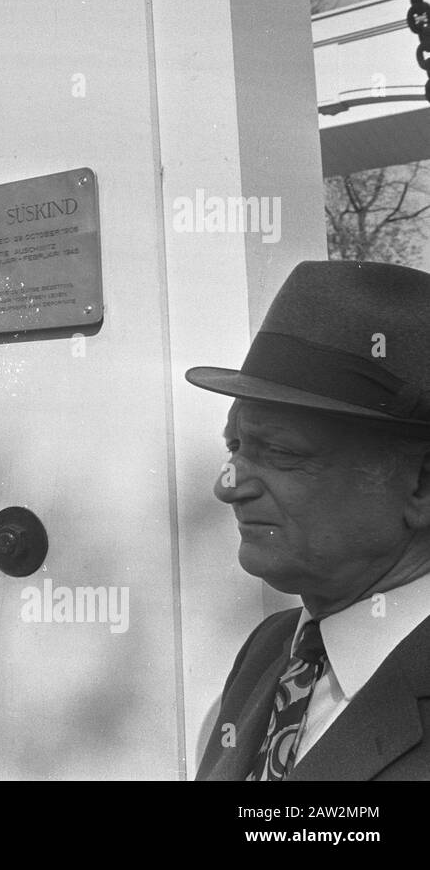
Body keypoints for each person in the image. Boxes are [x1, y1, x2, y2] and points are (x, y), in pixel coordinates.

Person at [190, 260, 430, 781]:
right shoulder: (271, 647)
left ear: (421, 485)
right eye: (235, 446)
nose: (228, 485)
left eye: (279, 451)